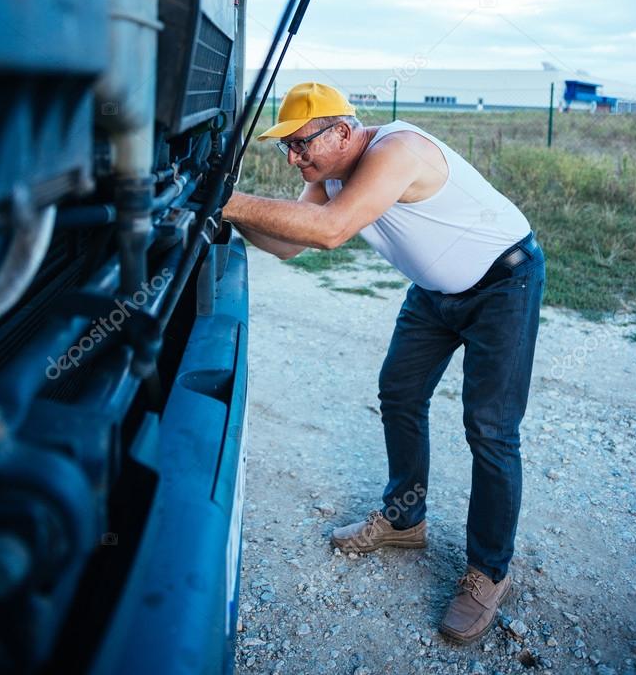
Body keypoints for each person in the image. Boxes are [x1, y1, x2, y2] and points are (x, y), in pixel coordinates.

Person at [223, 81, 546, 645]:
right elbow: (289, 244)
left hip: (503, 282)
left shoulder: (397, 150)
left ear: (342, 131)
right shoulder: (330, 171)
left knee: (490, 430)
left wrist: (225, 200)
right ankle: (404, 519)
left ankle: (488, 572)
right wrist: (227, 213)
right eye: (287, 148)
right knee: (399, 393)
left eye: (302, 145)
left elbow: (328, 232)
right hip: (435, 291)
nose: (296, 159)